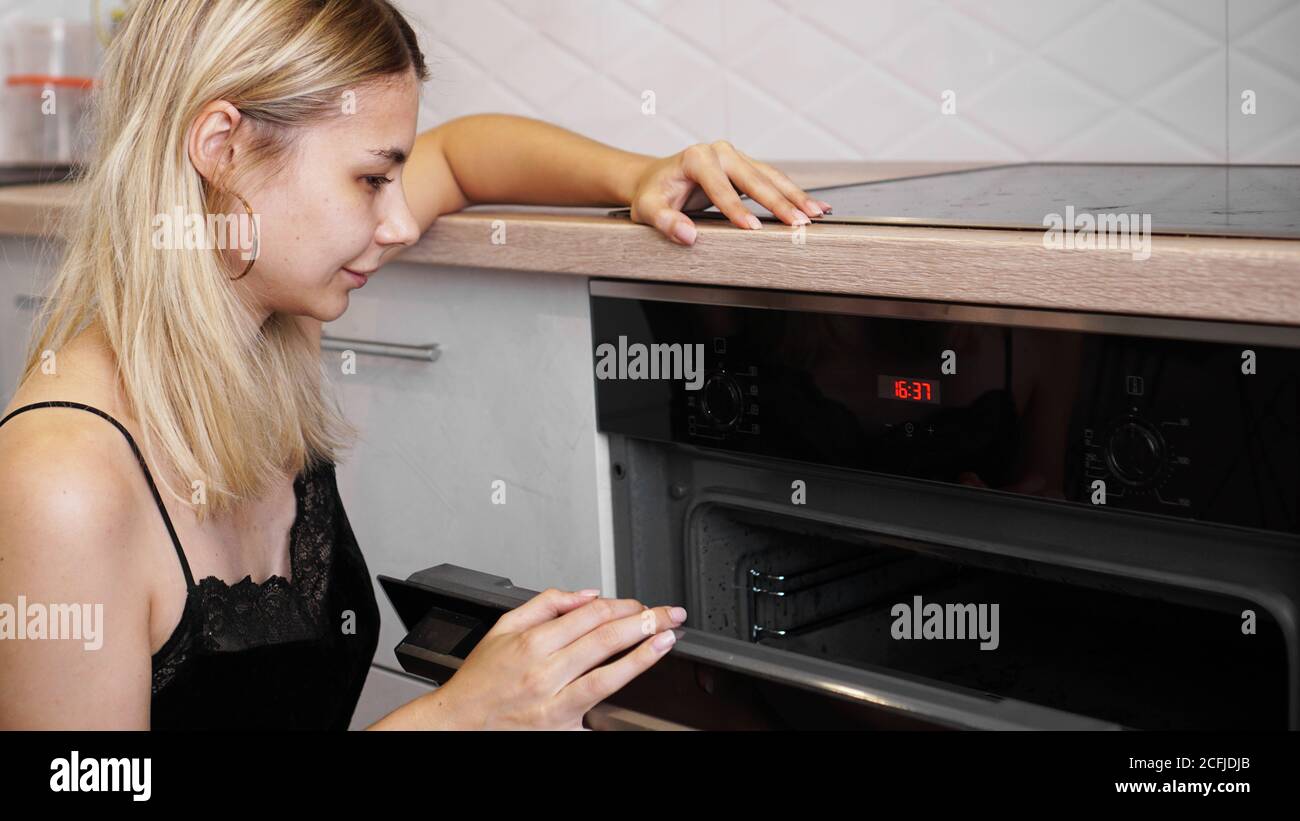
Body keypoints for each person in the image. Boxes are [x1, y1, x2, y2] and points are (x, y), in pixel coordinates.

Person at [0, 0, 830, 730]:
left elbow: (464, 155)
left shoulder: (271, 315)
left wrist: (640, 173)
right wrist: (456, 719)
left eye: (393, 176)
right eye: (370, 178)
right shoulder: (64, 486)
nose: (398, 222)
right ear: (221, 146)